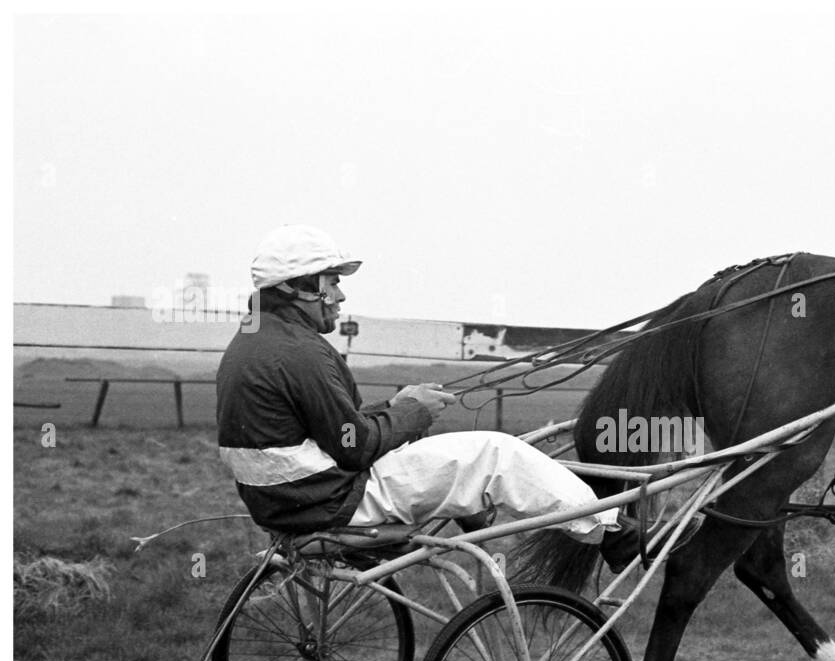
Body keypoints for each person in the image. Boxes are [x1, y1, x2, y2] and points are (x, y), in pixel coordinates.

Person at [216, 224, 640, 564]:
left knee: (465, 458)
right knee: (496, 452)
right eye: (332, 282)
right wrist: (414, 413)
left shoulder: (252, 341)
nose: (340, 295)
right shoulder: (300, 351)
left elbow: (335, 431)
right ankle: (614, 531)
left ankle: (479, 509)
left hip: (290, 505)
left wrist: (397, 407)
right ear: (301, 286)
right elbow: (355, 447)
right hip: (337, 504)